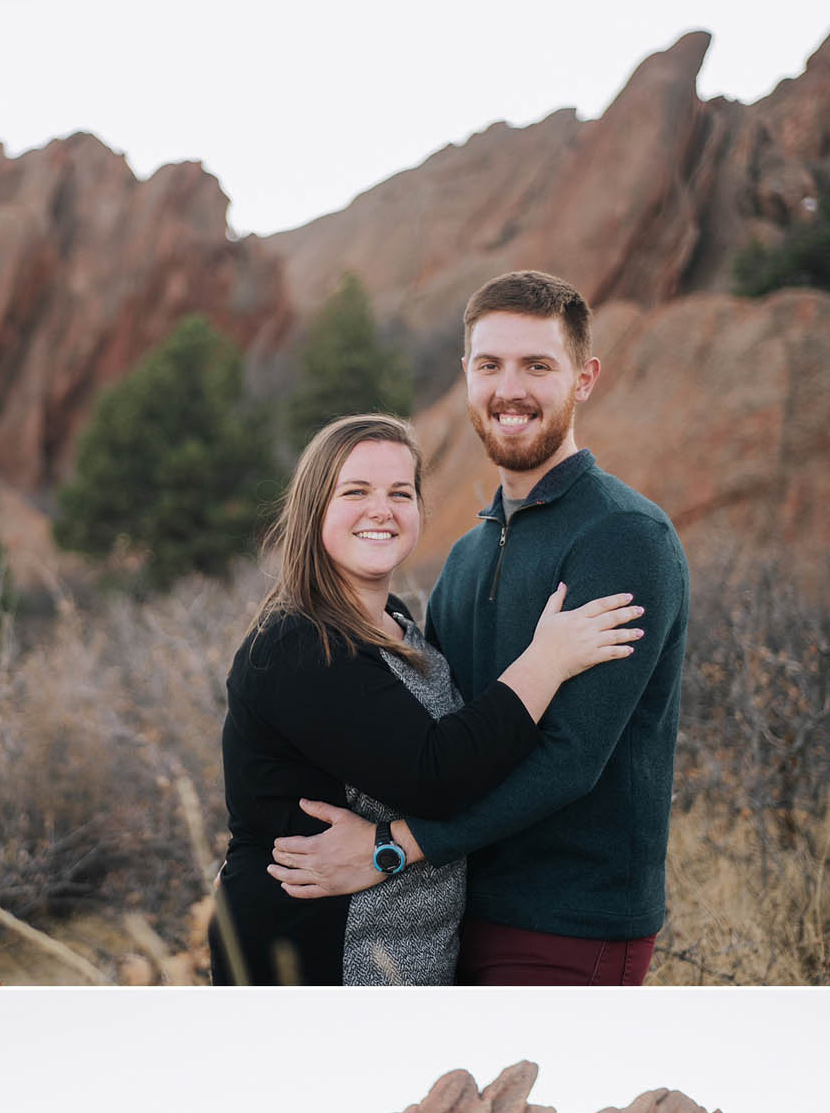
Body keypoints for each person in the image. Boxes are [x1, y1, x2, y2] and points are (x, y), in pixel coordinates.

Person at [269, 272, 690, 986]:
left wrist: (390, 848)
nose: (509, 389)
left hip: (568, 921)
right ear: (466, 374)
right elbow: (440, 746)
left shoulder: (622, 538)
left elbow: (570, 758)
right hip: (449, 913)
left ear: (584, 379)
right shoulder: (465, 557)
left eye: (537, 366)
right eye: (490, 365)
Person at [212, 411, 645, 985]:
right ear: (314, 510)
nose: (381, 509)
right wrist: (547, 661)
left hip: (412, 957)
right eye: (355, 491)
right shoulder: (299, 642)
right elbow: (436, 775)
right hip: (322, 960)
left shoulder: (395, 623)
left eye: (400, 492)